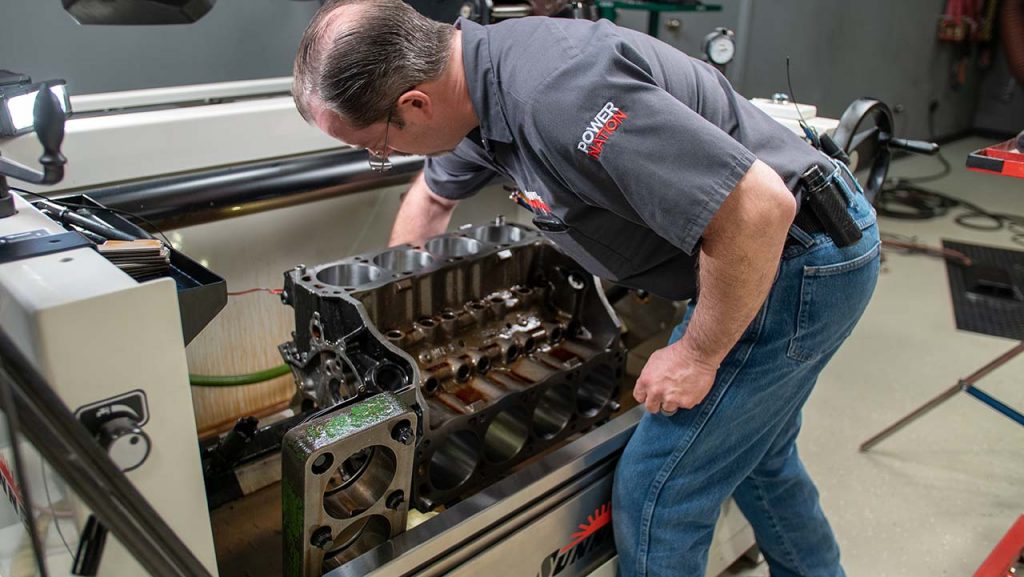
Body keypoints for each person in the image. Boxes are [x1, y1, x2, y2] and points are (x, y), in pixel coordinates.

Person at [292, 2, 879, 576]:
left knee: (660, 492)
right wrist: (395, 334)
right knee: (758, 458)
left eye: (377, 146)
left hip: (799, 260)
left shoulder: (558, 96)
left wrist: (697, 355)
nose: (383, 156)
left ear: (414, 105)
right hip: (773, 254)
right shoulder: (468, 89)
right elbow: (432, 199)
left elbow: (758, 210)